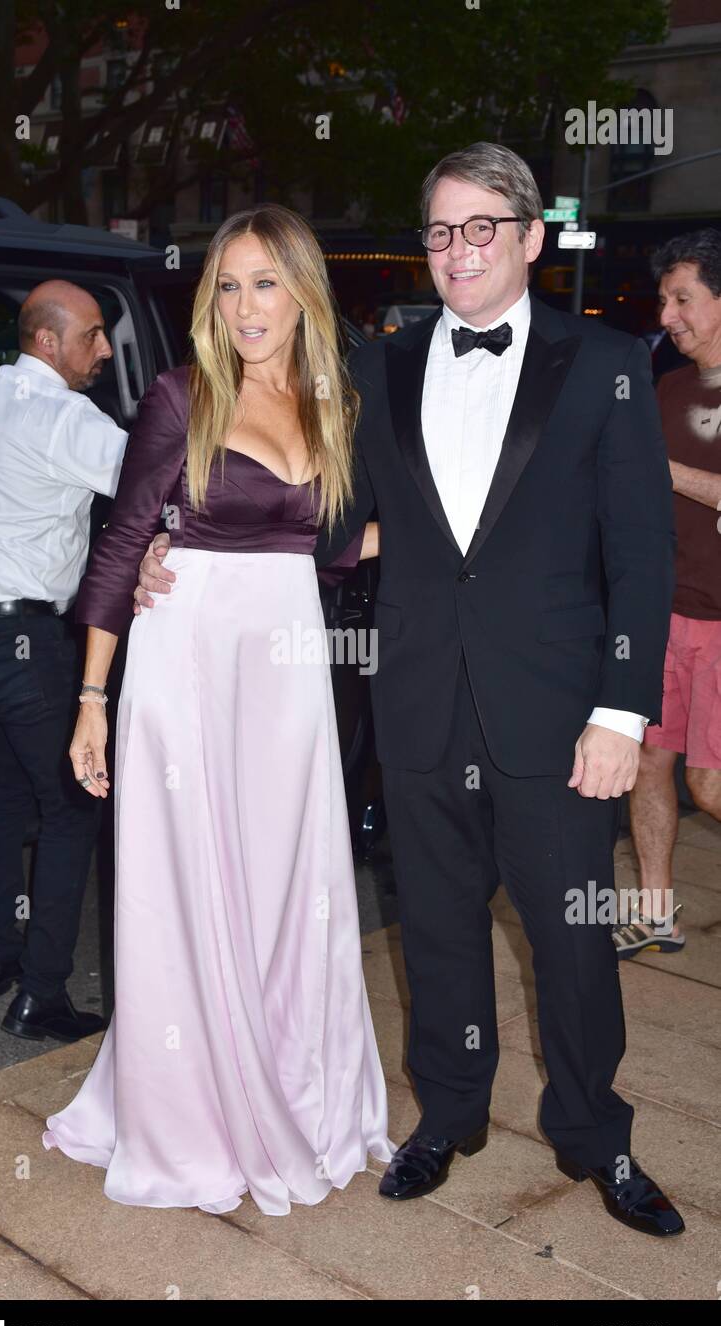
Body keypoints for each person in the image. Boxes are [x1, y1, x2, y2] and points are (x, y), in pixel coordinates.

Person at [137, 145, 684, 1239]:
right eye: (440, 231)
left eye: (482, 227)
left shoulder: (609, 364)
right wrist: (175, 538)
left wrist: (622, 714)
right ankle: (450, 1112)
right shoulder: (384, 363)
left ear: (531, 238)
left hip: (558, 717)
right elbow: (328, 520)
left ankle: (594, 1133)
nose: (458, 250)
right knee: (433, 929)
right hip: (420, 701)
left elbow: (643, 556)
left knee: (571, 942)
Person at [41, 206, 394, 1217]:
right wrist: (93, 698)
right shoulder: (180, 396)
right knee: (190, 876)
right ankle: (192, 1110)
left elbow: (330, 544)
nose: (246, 307)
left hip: (286, 667)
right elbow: (120, 548)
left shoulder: (338, 406)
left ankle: (291, 1078)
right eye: (228, 286)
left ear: (304, 294)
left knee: (292, 879)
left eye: (266, 284)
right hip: (185, 653)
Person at [0, 280, 127, 1039]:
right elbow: (152, 489)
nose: (104, 350)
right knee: (74, 807)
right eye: (93, 335)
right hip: (19, 643)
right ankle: (41, 994)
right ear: (49, 341)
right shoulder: (67, 417)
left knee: (5, 790)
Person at [621, 230, 721, 960]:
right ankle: (655, 911)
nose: (667, 315)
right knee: (647, 762)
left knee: (709, 785)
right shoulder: (666, 388)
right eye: (663, 300)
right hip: (664, 612)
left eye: (682, 299)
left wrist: (657, 469)